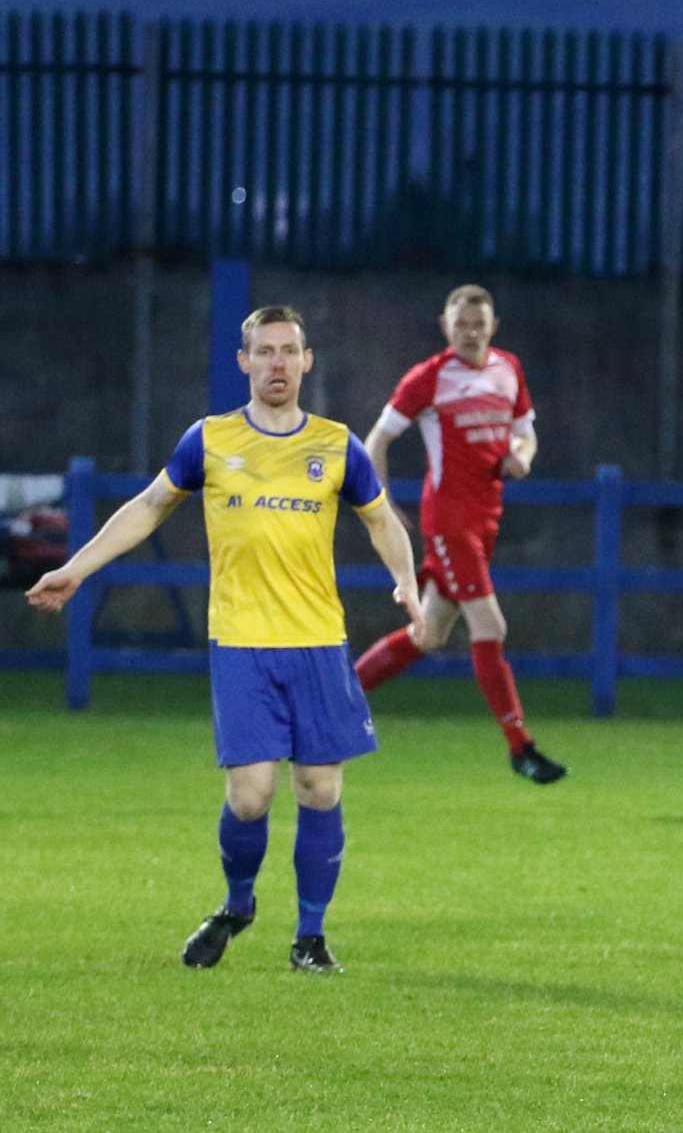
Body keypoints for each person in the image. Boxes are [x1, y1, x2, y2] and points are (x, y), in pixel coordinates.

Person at [27, 306, 422, 974]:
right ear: (242, 361)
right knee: (250, 796)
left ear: (306, 360)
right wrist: (76, 567)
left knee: (320, 788)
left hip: (318, 640)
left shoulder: (336, 445)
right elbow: (148, 507)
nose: (275, 362)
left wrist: (407, 584)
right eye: (263, 350)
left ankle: (310, 937)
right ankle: (238, 904)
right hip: (240, 640)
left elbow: (381, 520)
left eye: (287, 350)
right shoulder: (208, 440)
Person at [351, 285, 567, 783]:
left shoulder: (508, 369)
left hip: (486, 519)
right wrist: (379, 503)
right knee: (491, 626)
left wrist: (524, 457)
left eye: (479, 323)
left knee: (427, 635)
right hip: (449, 522)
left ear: (493, 326)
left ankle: (335, 698)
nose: (470, 332)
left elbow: (526, 432)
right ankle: (521, 747)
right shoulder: (430, 378)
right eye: (461, 323)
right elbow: (377, 439)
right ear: (445, 327)